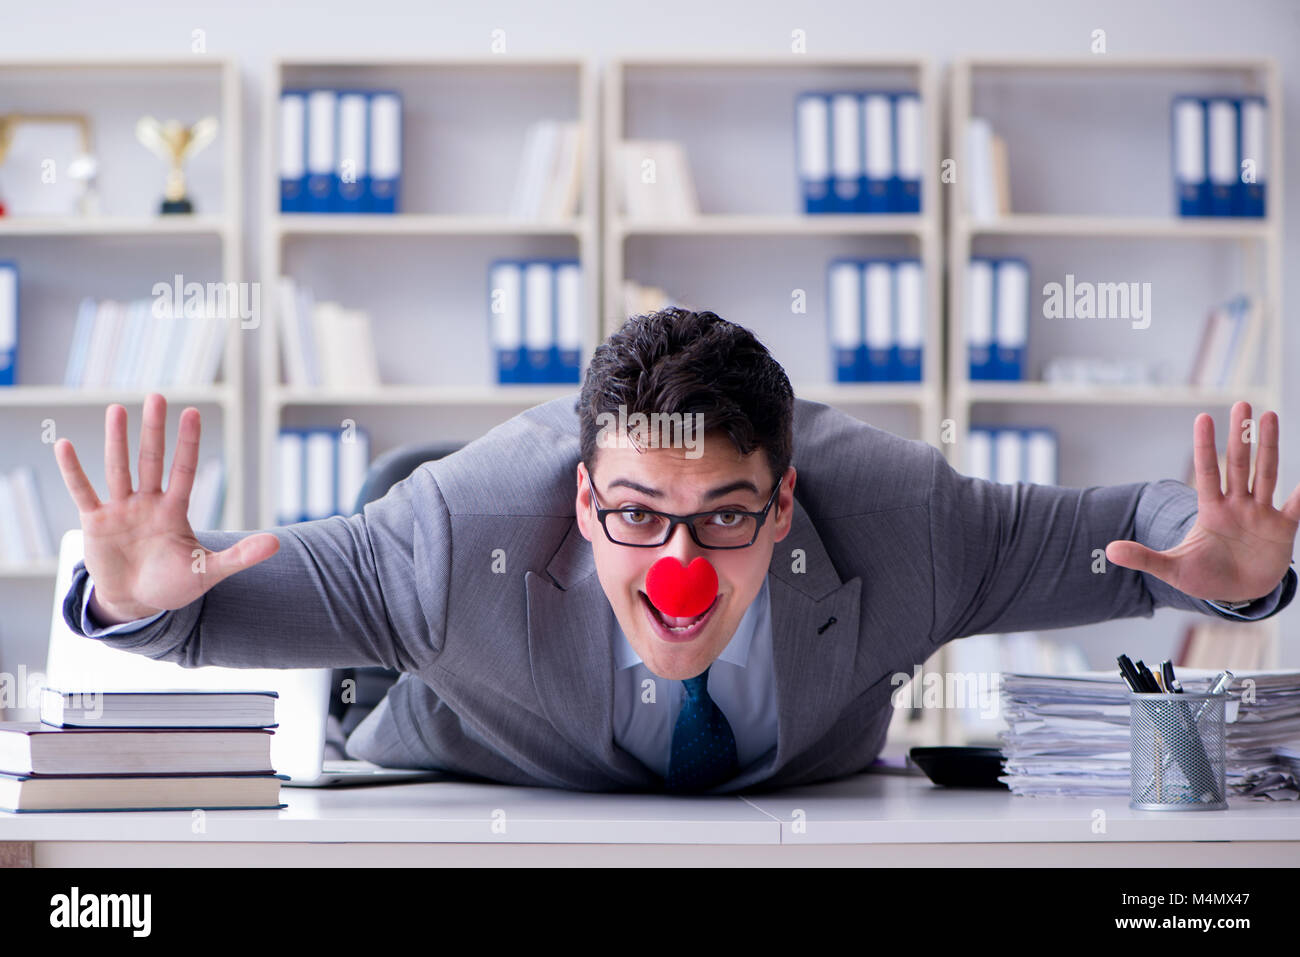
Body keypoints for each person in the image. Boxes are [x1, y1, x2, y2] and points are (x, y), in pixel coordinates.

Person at [54, 308, 1298, 793]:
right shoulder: (451, 540)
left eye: (727, 517)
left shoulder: (909, 523)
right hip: (479, 756)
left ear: (789, 493)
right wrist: (135, 599)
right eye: (638, 516)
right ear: (584, 497)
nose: (679, 567)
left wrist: (1242, 576)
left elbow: (1148, 530)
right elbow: (192, 609)